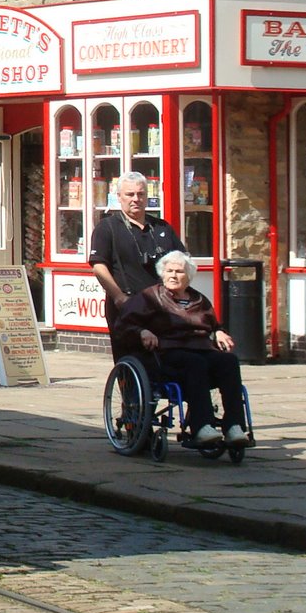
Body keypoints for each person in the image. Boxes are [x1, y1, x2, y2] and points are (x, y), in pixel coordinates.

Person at [114, 250, 248, 447]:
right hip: (166, 353)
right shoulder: (149, 296)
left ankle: (234, 426)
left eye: (179, 272)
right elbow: (123, 325)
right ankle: (201, 427)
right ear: (162, 273)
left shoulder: (199, 300)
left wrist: (219, 331)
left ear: (189, 276)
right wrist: (142, 331)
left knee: (228, 361)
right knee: (195, 363)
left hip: (201, 349)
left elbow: (212, 323)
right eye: (169, 271)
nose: (173, 275)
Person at [90, 171, 184, 359]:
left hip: (162, 305)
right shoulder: (107, 228)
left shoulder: (161, 227)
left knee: (171, 359)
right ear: (119, 197)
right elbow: (99, 266)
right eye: (130, 194)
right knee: (133, 359)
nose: (136, 199)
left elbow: (182, 262)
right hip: (128, 305)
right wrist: (118, 297)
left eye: (140, 194)